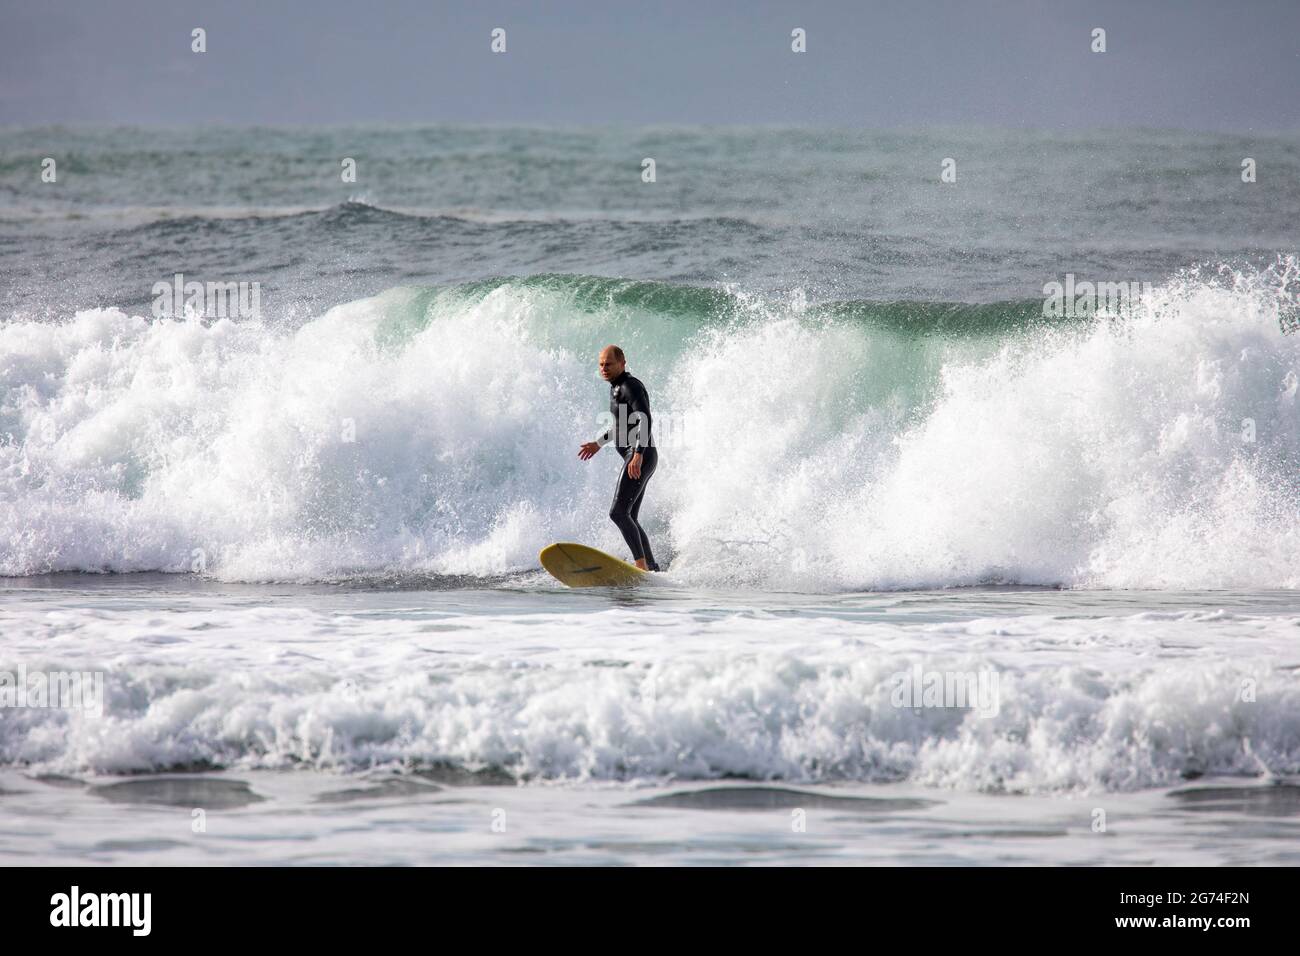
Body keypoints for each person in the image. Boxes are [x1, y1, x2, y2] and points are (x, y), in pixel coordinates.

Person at [578, 345, 660, 571]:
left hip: (640, 456)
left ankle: (641, 566)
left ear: (622, 363)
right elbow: (621, 424)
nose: (604, 368)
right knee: (629, 515)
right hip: (639, 456)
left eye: (609, 364)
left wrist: (637, 455)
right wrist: (598, 443)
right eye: (601, 364)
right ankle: (651, 567)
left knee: (618, 513)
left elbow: (646, 420)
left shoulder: (630, 386)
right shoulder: (615, 387)